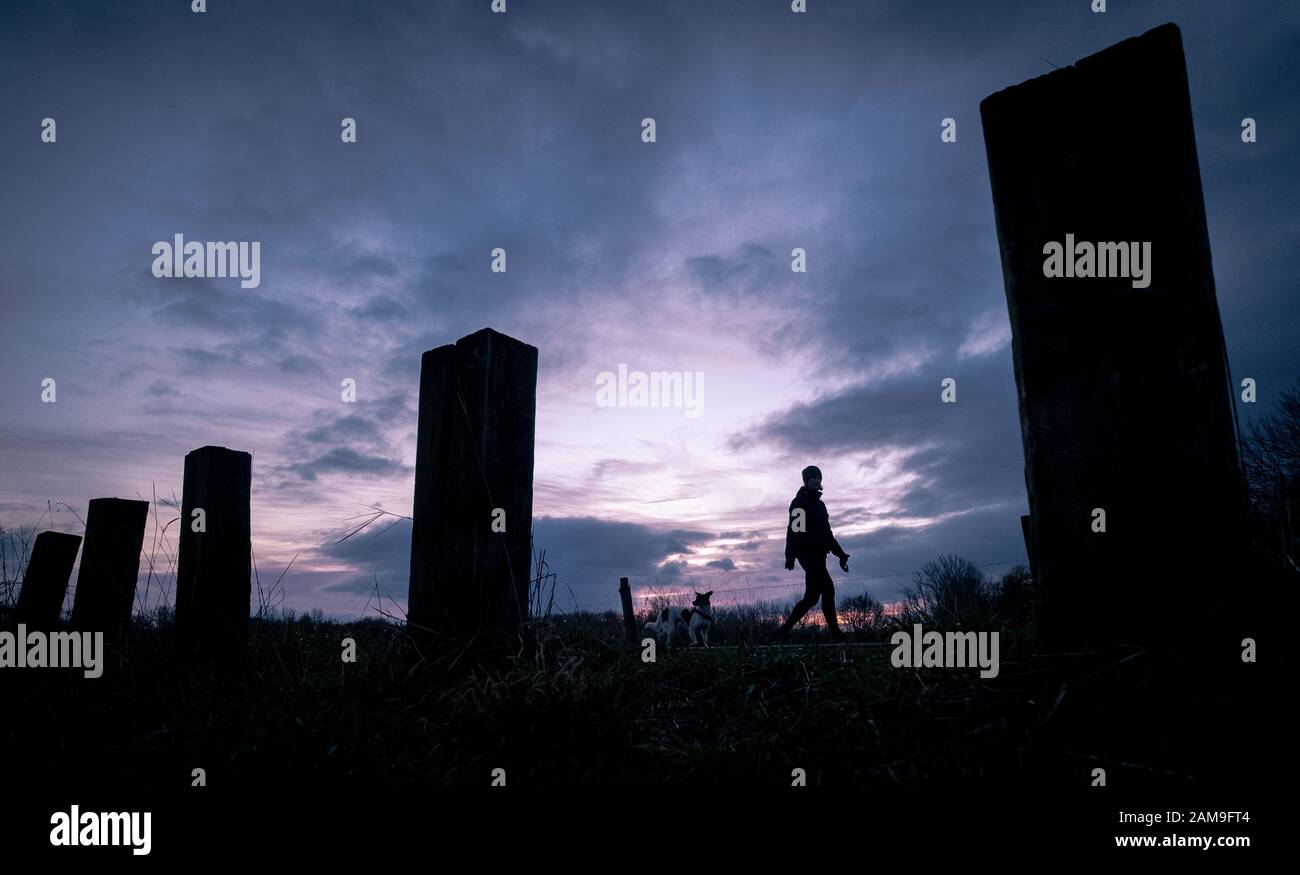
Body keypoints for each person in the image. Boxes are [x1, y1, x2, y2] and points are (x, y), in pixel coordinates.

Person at [778, 465, 849, 642]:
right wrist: (790, 556)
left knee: (811, 598)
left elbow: (827, 533)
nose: (816, 480)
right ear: (806, 481)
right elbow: (794, 531)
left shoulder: (820, 505)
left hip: (820, 555)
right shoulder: (799, 502)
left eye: (818, 477)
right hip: (808, 555)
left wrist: (840, 554)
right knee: (828, 589)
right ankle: (836, 635)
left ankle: (782, 631)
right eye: (812, 478)